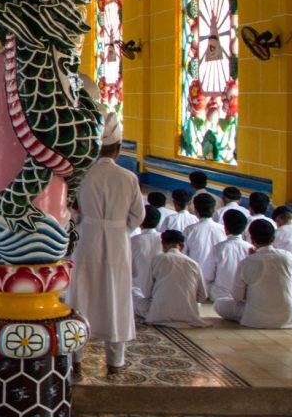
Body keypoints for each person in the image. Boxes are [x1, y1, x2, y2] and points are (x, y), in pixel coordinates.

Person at [66, 112, 143, 376]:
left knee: (81, 294)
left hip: (87, 238)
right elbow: (138, 216)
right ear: (119, 149)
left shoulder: (82, 175)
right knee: (116, 295)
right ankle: (115, 361)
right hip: (118, 241)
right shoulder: (129, 178)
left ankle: (75, 358)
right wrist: (120, 230)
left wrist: (83, 223)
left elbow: (72, 211)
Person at [214, 220, 292, 328]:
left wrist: (251, 257)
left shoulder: (246, 263)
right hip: (287, 318)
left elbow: (237, 297)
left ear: (252, 239)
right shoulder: (287, 257)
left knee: (219, 304)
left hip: (255, 319)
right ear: (273, 238)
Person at [136, 230, 209, 327]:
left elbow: (146, 292)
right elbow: (203, 297)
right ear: (182, 247)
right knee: (196, 305)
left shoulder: (157, 260)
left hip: (159, 313)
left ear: (163, 244)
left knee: (134, 294)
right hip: (188, 314)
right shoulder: (193, 263)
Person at [206, 210, 253, 301]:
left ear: (225, 228)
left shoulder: (218, 248)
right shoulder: (250, 248)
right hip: (244, 297)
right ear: (244, 229)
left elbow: (209, 275)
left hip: (220, 296)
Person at [183, 192, 225, 278]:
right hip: (215, 279)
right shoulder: (223, 230)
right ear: (213, 210)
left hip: (193, 277)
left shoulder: (189, 230)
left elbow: (183, 255)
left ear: (196, 210)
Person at [130, 206, 163, 301]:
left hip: (138, 295)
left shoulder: (133, 241)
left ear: (140, 221)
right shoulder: (164, 240)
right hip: (161, 294)